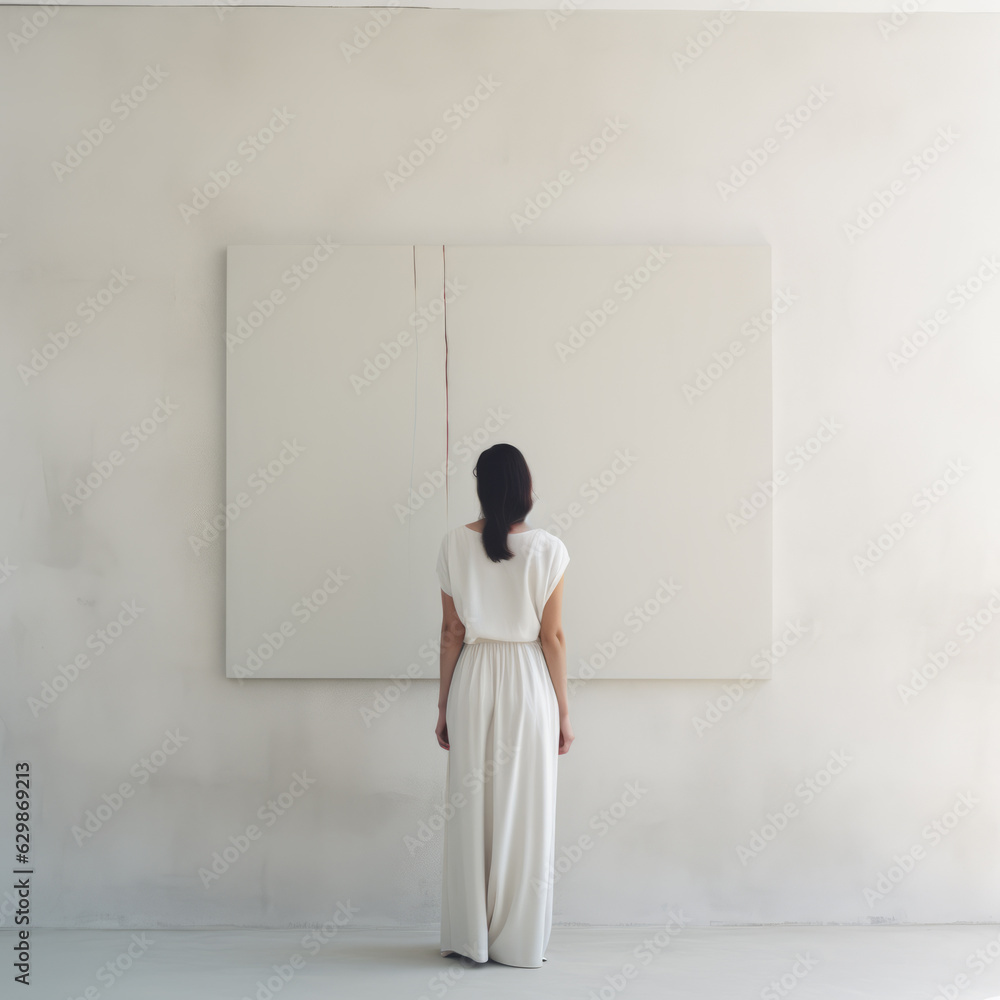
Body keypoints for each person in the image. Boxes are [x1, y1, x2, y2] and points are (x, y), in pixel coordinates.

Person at [434, 443, 573, 969]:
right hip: (528, 683)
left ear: (481, 487)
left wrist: (444, 704)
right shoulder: (549, 549)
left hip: (473, 677)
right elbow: (553, 637)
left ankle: (469, 934)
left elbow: (451, 633)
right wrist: (562, 711)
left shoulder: (452, 544)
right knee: (525, 808)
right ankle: (516, 941)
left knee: (471, 807)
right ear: (525, 488)